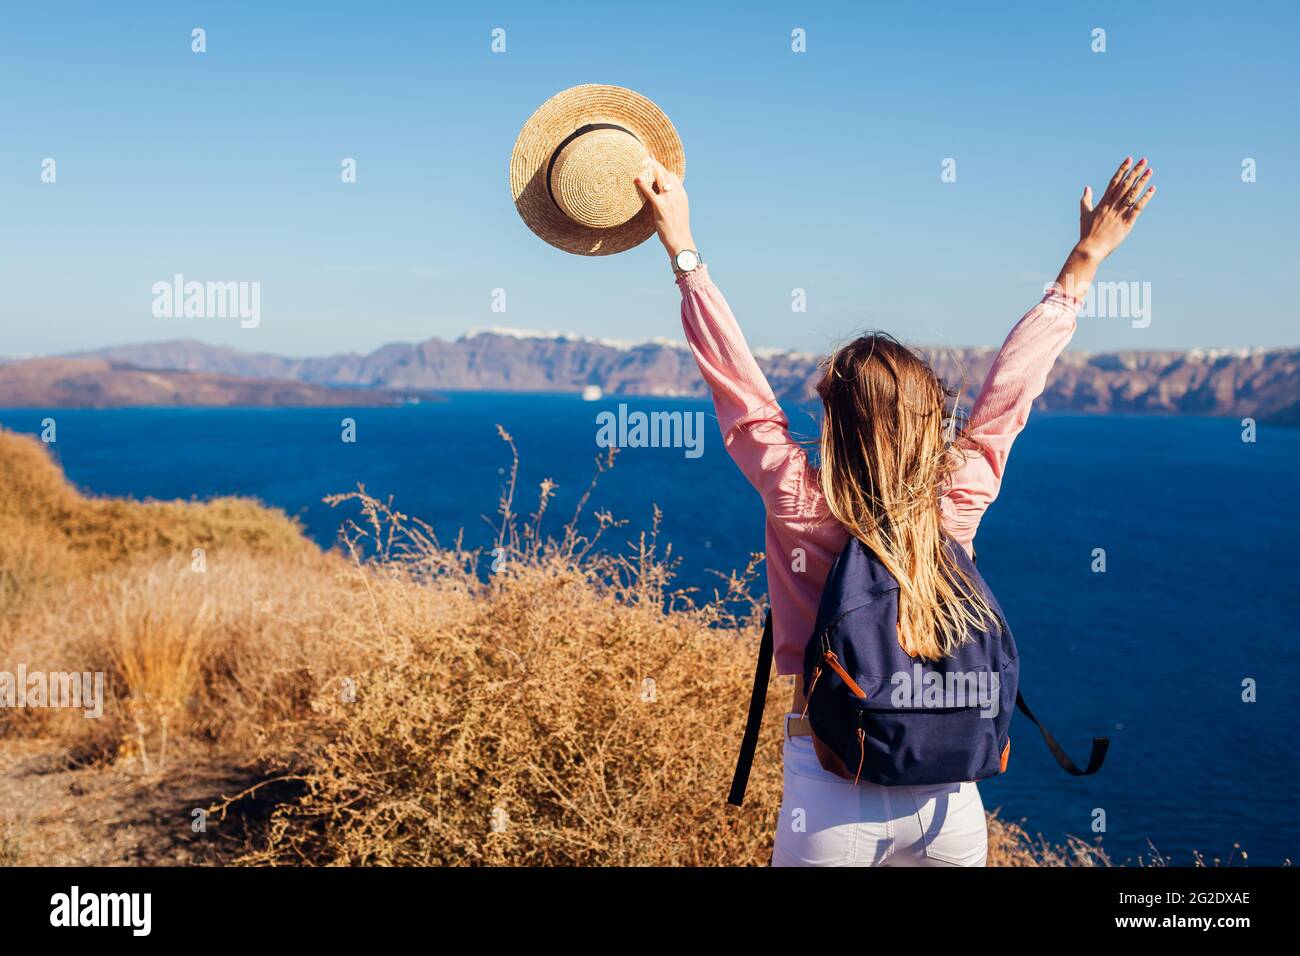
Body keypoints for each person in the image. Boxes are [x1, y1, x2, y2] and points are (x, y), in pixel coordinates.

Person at [633, 156, 1156, 866]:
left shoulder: (799, 498)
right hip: (950, 803)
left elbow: (743, 399)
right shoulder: (957, 499)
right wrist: (1084, 261)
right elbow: (1010, 395)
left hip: (831, 789)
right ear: (929, 417)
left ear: (833, 420)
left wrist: (683, 253)